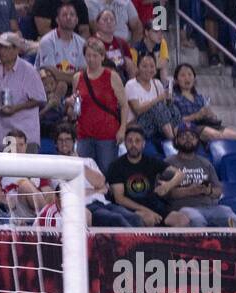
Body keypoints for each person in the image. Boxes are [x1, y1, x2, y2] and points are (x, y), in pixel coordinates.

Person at [106, 125, 191, 226]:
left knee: (182, 219)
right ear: (125, 143)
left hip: (153, 207)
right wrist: (146, 210)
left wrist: (168, 186)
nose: (133, 144)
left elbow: (180, 174)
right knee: (149, 219)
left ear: (143, 144)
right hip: (129, 210)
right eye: (129, 141)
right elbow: (119, 199)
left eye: (137, 141)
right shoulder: (116, 165)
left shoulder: (151, 161)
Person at [165, 124, 236, 227]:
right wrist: (190, 191)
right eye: (183, 136)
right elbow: (165, 193)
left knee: (235, 220)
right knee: (197, 220)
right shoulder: (168, 163)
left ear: (197, 141)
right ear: (176, 140)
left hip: (210, 207)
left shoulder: (205, 163)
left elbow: (218, 191)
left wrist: (208, 191)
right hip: (184, 208)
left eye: (192, 136)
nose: (188, 139)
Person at [0, 32, 46, 151]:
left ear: (16, 50)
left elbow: (40, 99)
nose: (1, 51)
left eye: (5, 47)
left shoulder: (28, 71)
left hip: (22, 139)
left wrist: (16, 108)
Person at [72, 37, 125, 171]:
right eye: (88, 55)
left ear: (102, 57)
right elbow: (76, 103)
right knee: (85, 173)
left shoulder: (112, 76)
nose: (91, 59)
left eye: (95, 56)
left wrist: (122, 128)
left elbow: (124, 104)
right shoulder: (78, 78)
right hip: (84, 133)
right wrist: (71, 103)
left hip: (107, 134)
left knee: (106, 171)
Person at [171, 63, 236, 145]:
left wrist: (210, 114)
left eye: (190, 74)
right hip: (190, 128)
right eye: (183, 75)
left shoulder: (200, 98)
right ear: (176, 80)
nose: (187, 78)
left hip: (207, 124)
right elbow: (175, 121)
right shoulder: (174, 99)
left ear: (194, 78)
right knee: (216, 135)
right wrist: (195, 116)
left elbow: (213, 117)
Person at [125, 51, 180, 142]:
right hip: (136, 124)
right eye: (144, 66)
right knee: (156, 106)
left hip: (156, 124)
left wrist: (168, 99)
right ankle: (172, 140)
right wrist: (157, 100)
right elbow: (137, 110)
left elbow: (164, 108)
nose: (148, 69)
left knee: (173, 108)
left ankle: (178, 137)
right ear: (138, 67)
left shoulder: (157, 83)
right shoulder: (131, 85)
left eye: (152, 66)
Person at [37, 2, 86, 94]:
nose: (68, 17)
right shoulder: (47, 41)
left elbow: (83, 75)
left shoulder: (82, 43)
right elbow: (50, 74)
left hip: (75, 87)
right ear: (57, 20)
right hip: (51, 86)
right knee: (61, 84)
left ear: (76, 20)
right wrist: (72, 77)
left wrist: (61, 75)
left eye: (72, 15)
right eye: (64, 15)